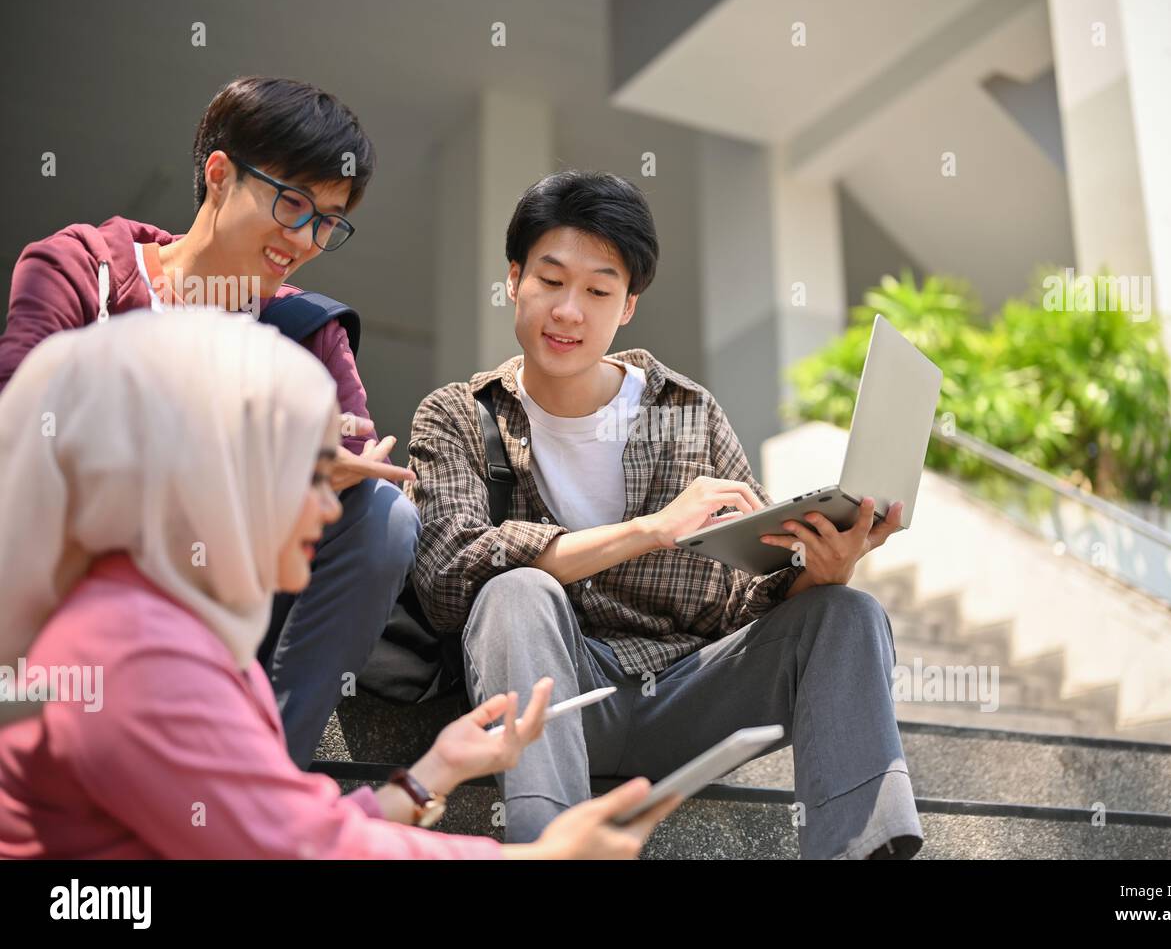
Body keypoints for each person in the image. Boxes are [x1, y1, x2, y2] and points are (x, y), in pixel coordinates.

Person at [0, 309, 678, 859]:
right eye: (307, 475)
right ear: (209, 481)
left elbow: (287, 830)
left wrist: (434, 771)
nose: (331, 509)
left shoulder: (156, 627)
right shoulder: (133, 650)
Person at [406, 170, 924, 859]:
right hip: (547, 705)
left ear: (628, 306)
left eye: (598, 290)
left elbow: (754, 598)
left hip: (688, 699)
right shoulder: (458, 417)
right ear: (513, 279)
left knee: (848, 612)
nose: (568, 311)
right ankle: (550, 848)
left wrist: (819, 571)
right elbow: (448, 578)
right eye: (551, 280)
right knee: (515, 588)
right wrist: (650, 531)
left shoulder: (688, 413)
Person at [0, 76, 417, 767]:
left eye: (328, 220)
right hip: (78, 600)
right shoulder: (85, 273)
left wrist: (319, 476)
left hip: (232, 613)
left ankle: (268, 775)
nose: (305, 238)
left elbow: (357, 463)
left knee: (385, 517)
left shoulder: (308, 328)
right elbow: (22, 433)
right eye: (292, 203)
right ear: (219, 175)